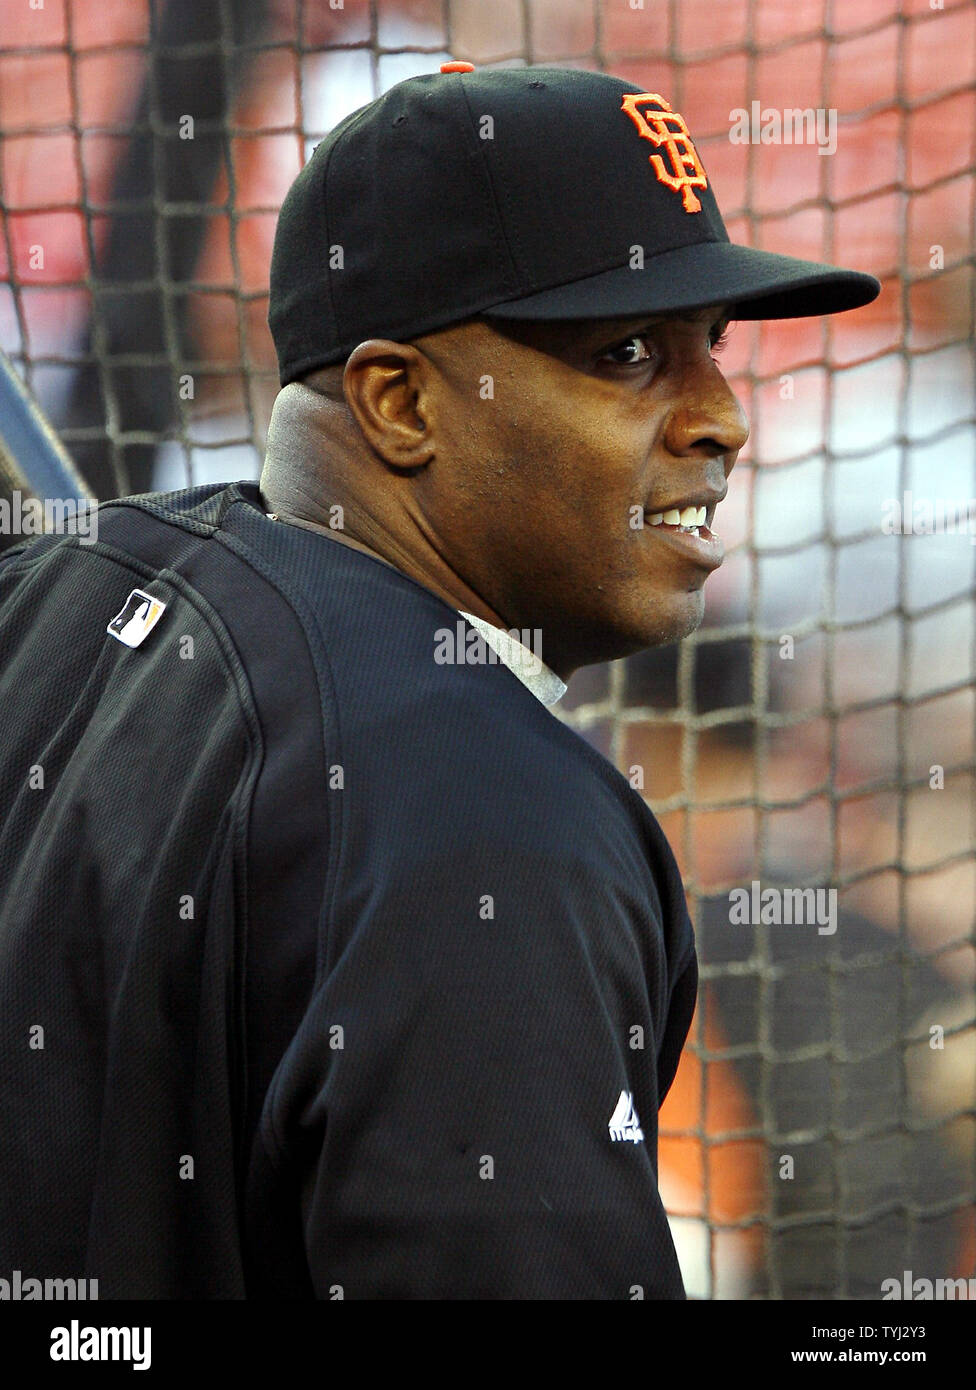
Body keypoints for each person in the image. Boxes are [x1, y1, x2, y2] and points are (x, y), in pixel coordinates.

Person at [0, 63, 879, 1299]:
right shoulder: (483, 808)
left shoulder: (48, 595)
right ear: (400, 402)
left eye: (712, 347)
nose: (722, 417)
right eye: (628, 352)